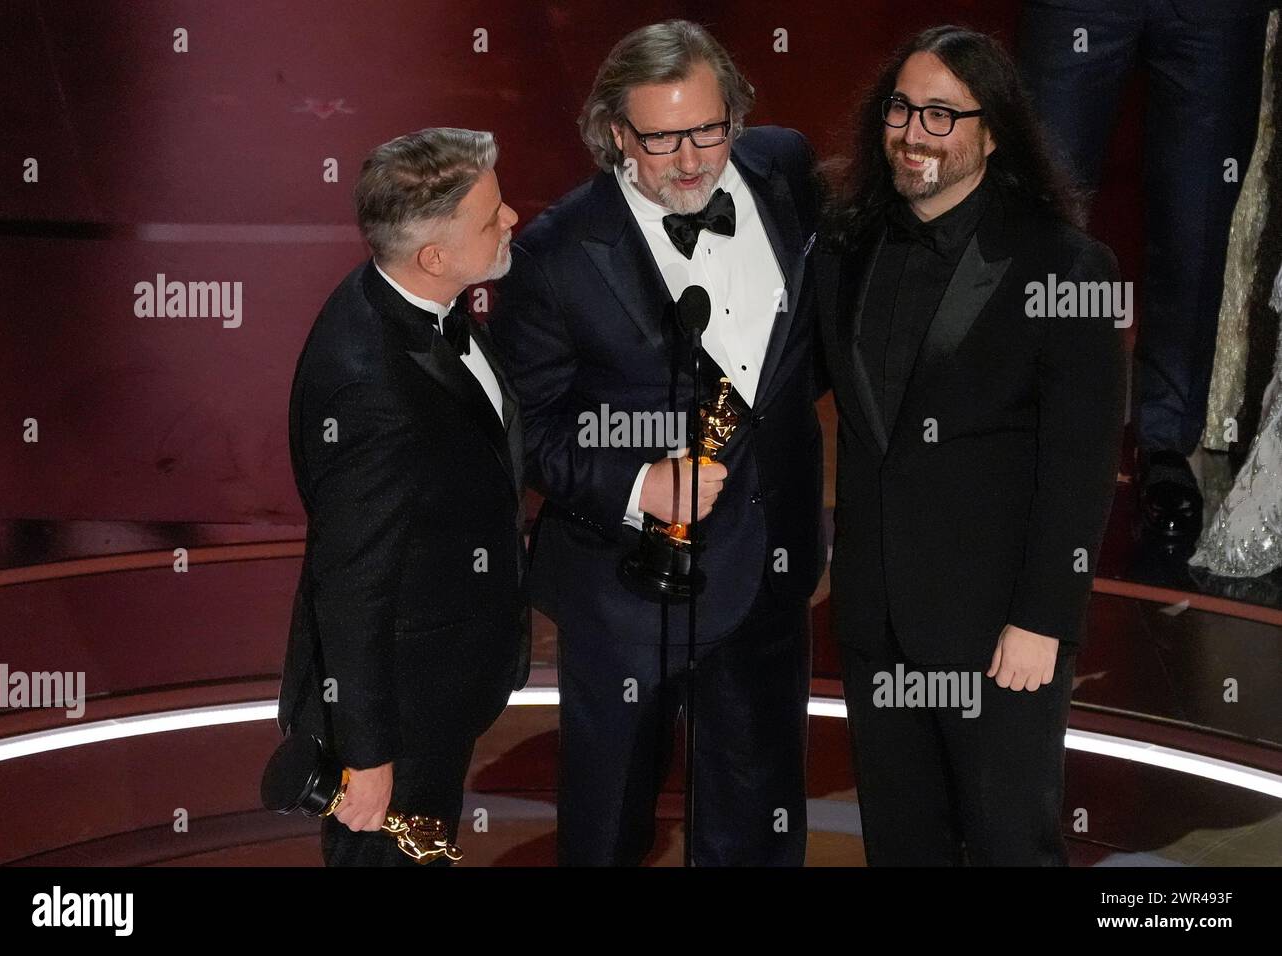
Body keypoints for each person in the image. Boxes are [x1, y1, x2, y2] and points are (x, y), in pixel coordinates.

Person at [493, 20, 824, 866]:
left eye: (710, 130)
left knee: (756, 821)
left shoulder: (784, 168)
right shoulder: (553, 253)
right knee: (609, 825)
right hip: (627, 591)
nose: (690, 160)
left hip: (770, 570)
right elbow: (529, 427)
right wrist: (641, 483)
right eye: (662, 137)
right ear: (614, 134)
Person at [815, 25, 1125, 865]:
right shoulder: (846, 249)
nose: (915, 132)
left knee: (1008, 847)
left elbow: (1082, 465)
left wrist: (1043, 620)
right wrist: (695, 453)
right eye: (903, 108)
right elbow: (770, 382)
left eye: (944, 115)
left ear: (993, 133)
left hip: (999, 635)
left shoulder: (1069, 268)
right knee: (901, 845)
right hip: (877, 619)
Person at [276, 128, 530, 866]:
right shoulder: (372, 390)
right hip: (400, 708)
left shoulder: (409, 296)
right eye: (491, 217)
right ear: (433, 257)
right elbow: (352, 585)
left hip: (437, 679)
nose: (512, 217)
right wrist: (371, 756)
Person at [1018, 0, 1275, 539]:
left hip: (1212, 16)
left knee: (1194, 225)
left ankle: (1166, 444)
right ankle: (1041, 429)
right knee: (1046, 219)